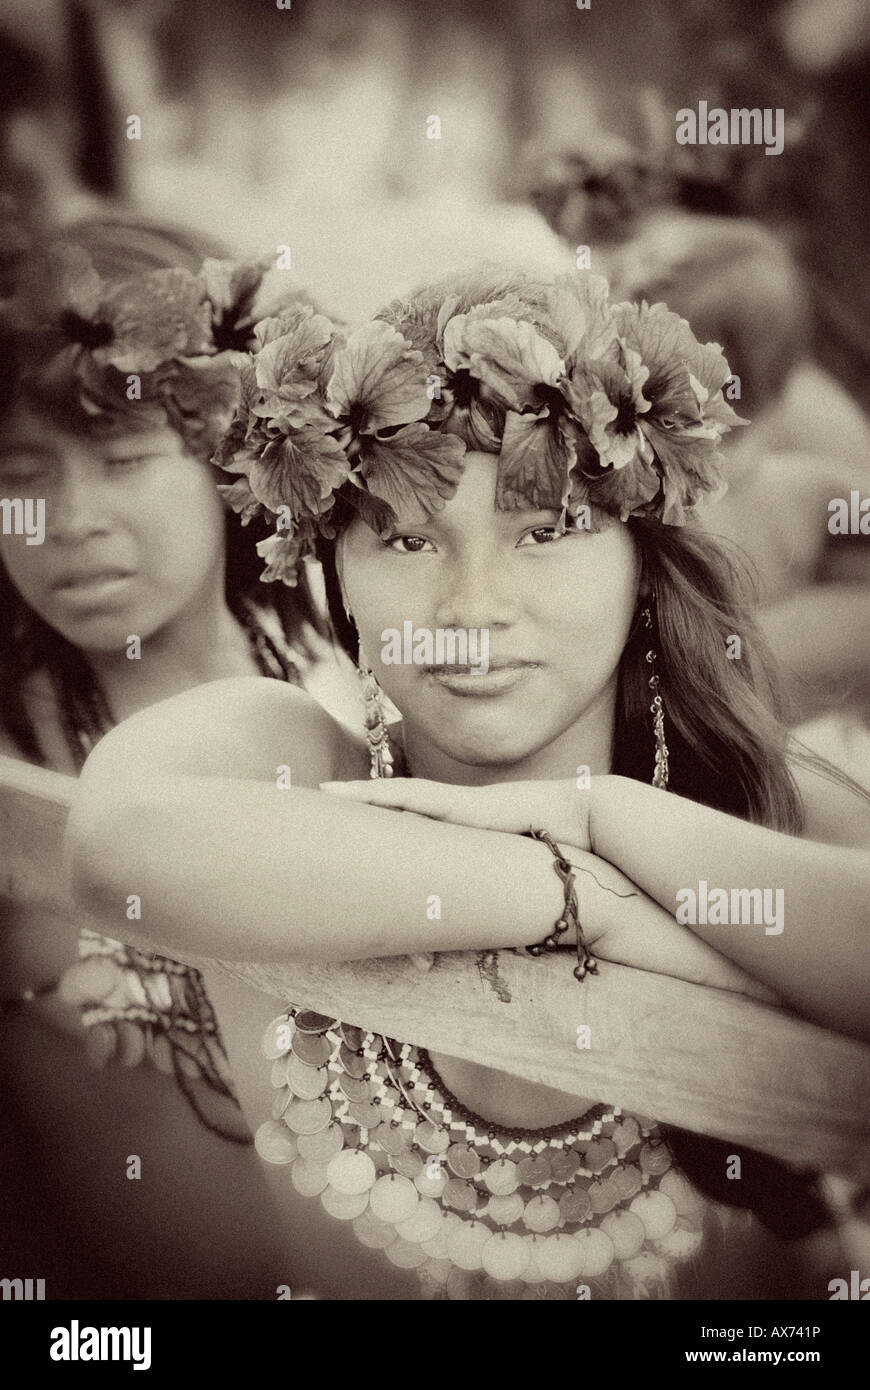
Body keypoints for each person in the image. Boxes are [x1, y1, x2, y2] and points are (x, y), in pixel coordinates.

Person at [66, 267, 870, 1301]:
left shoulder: (763, 804)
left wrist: (602, 813)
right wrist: (586, 901)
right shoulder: (294, 755)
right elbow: (117, 839)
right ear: (335, 572)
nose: (472, 606)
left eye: (545, 534)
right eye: (405, 538)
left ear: (645, 565)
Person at [0, 217, 334, 1297]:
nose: (71, 520)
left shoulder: (353, 693)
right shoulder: (16, 761)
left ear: (230, 463)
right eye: (20, 475)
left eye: (127, 459)